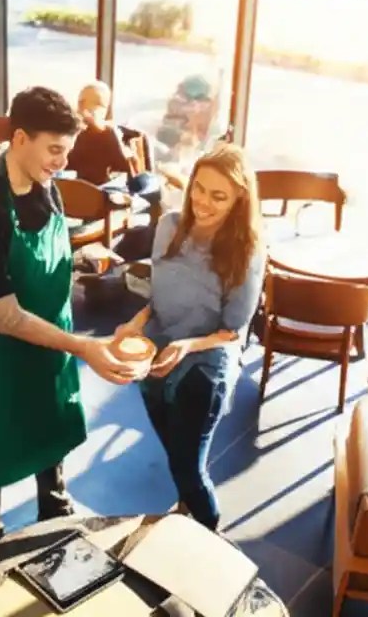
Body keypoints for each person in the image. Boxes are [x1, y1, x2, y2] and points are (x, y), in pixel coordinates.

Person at [0, 86, 137, 555]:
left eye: (66, 151)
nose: (61, 162)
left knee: (51, 436)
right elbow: (2, 314)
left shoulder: (44, 184)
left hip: (51, 347)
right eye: (54, 149)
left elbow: (43, 257)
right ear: (19, 139)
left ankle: (55, 513)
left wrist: (80, 260)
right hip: (6, 357)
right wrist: (83, 347)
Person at [113, 143, 265, 531]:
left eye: (219, 196)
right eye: (199, 188)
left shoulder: (247, 251)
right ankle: (186, 506)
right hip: (156, 349)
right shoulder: (168, 226)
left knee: (188, 465)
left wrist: (187, 346)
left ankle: (209, 527)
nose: (204, 202)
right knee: (175, 453)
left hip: (205, 358)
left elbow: (233, 330)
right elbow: (158, 294)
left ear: (238, 199)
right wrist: (137, 320)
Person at [68, 81, 163, 205]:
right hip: (89, 195)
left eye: (82, 102)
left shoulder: (111, 133)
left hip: (95, 194)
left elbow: (125, 172)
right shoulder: (83, 132)